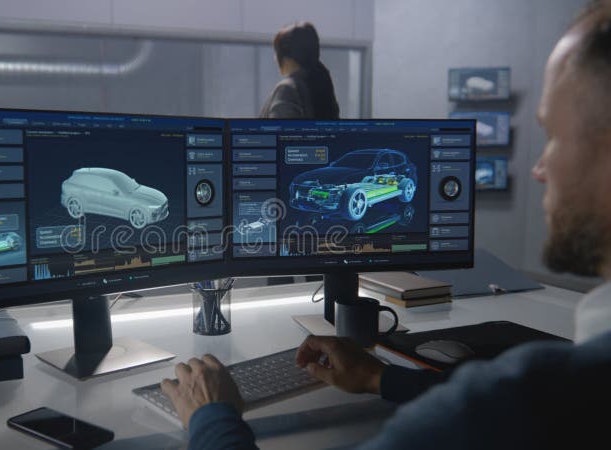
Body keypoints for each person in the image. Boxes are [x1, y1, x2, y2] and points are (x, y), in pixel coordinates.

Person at [161, 2, 611, 448]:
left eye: (553, 134)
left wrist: (211, 418)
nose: (539, 167)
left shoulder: (515, 402)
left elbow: (492, 409)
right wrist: (381, 377)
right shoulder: (563, 392)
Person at [259, 21, 340, 120]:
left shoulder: (288, 89)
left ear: (286, 57)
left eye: (276, 52)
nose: (275, 58)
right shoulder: (323, 84)